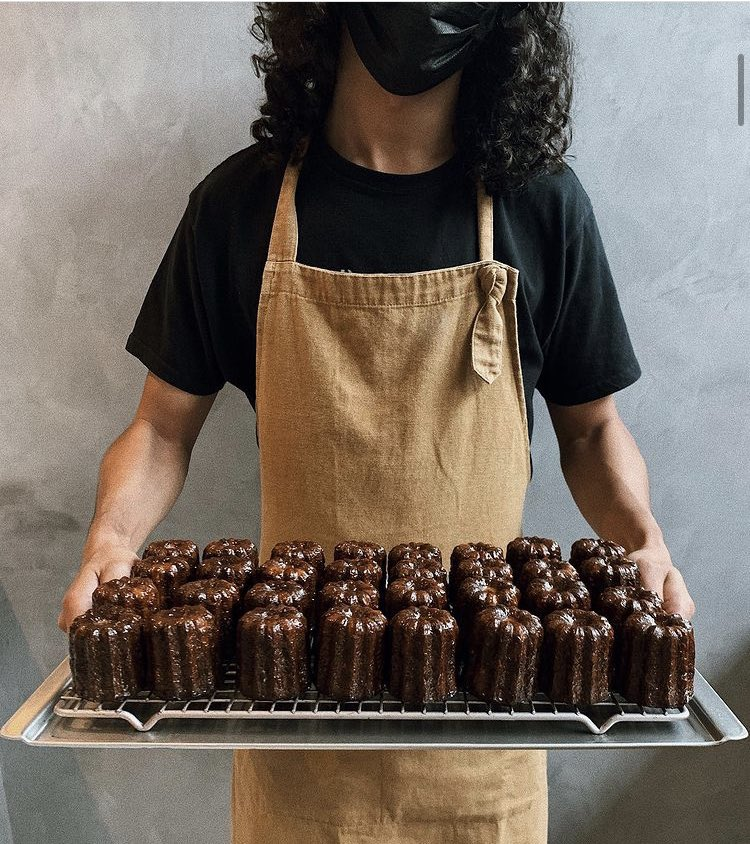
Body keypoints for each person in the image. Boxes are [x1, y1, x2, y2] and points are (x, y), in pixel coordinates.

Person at [58, 3, 695, 842]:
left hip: (483, 754)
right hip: (296, 754)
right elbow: (162, 429)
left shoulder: (540, 206)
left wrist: (644, 538)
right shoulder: (240, 205)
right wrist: (110, 542)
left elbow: (591, 431)